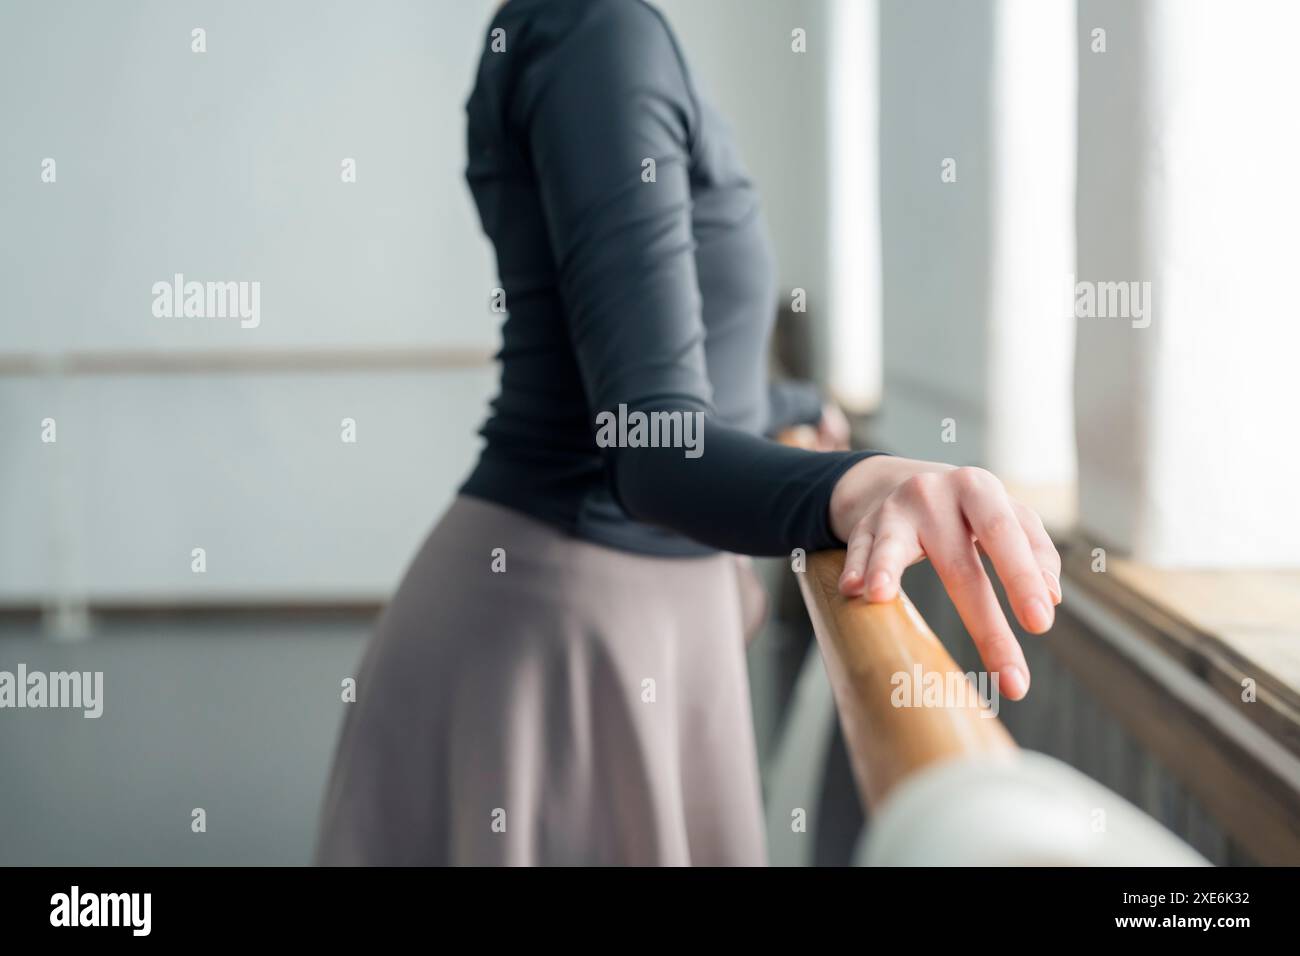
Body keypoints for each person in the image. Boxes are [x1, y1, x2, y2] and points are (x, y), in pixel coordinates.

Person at [315, 0, 1061, 866]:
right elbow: (654, 446)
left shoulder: (598, 31)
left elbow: (636, 362)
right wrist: (855, 485)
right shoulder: (594, 33)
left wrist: (780, 403)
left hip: (611, 622)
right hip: (566, 643)